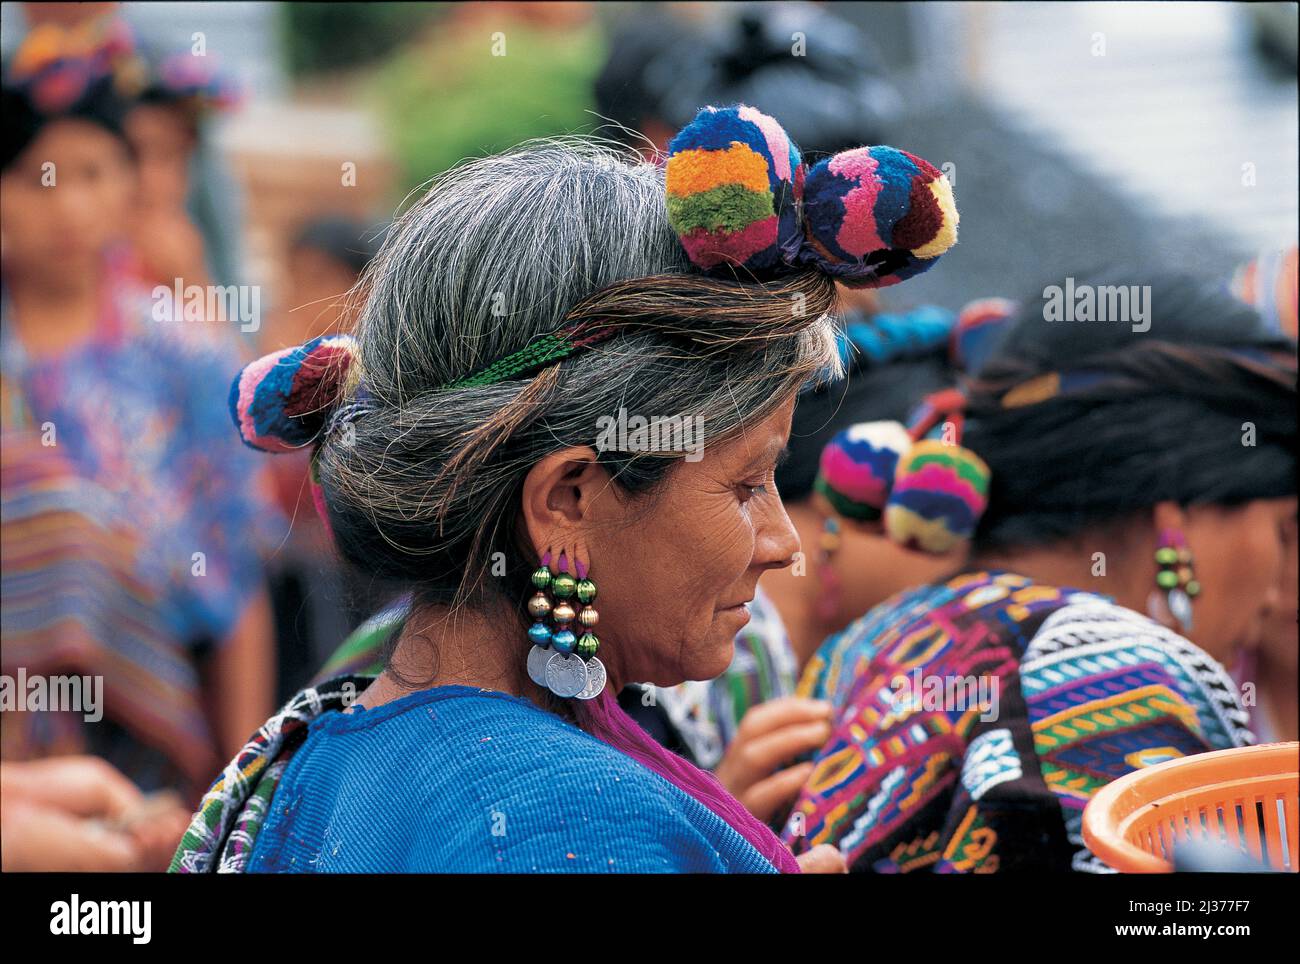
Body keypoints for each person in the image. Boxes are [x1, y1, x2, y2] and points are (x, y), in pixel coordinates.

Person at [172, 104, 958, 873]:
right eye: (748, 483)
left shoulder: (330, 753)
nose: (782, 542)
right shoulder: (565, 825)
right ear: (568, 501)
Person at [781, 270, 1296, 872]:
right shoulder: (1128, 679)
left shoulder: (860, 647)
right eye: (1284, 531)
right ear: (1179, 511)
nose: (1274, 592)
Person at [1, 38, 280, 799]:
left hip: (161, 717)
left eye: (93, 175)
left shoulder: (184, 352)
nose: (68, 205)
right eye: (36, 178)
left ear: (129, 189)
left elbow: (236, 571)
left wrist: (237, 777)